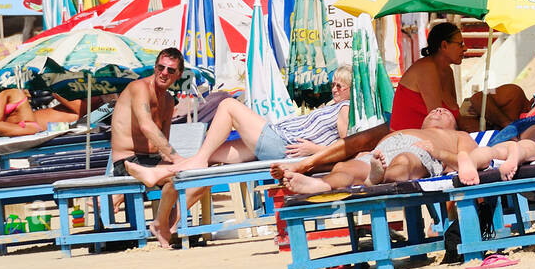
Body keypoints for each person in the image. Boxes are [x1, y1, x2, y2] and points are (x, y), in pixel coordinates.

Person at [130, 69, 354, 248]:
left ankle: (160, 173)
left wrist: (313, 150)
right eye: (332, 84)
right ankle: (167, 224)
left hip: (281, 144)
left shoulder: (344, 107)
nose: (333, 89)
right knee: (208, 162)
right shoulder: (335, 105)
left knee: (228, 105)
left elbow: (345, 146)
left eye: (339, 86)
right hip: (278, 142)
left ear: (350, 90)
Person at [283, 107, 478, 195]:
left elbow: (470, 160)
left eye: (444, 112)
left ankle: (378, 177)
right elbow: (356, 145)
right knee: (346, 167)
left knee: (404, 161)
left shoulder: (459, 136)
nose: (438, 111)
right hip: (381, 152)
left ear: (454, 125)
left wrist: (441, 155)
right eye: (434, 110)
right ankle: (322, 185)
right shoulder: (404, 128)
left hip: (420, 149)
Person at [111, 48, 185, 174]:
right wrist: (177, 159)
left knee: (194, 175)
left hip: (154, 160)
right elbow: (146, 126)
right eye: (161, 67)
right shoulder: (140, 88)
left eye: (171, 70)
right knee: (178, 175)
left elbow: (164, 142)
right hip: (128, 162)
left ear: (179, 74)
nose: (164, 73)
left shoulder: (168, 100)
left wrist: (180, 162)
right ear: (155, 67)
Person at [390, 22, 465, 131]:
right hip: (409, 142)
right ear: (444, 45)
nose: (465, 48)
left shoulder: (448, 71)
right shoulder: (426, 69)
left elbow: (456, 118)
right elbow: (439, 123)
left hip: (431, 138)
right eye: (460, 44)